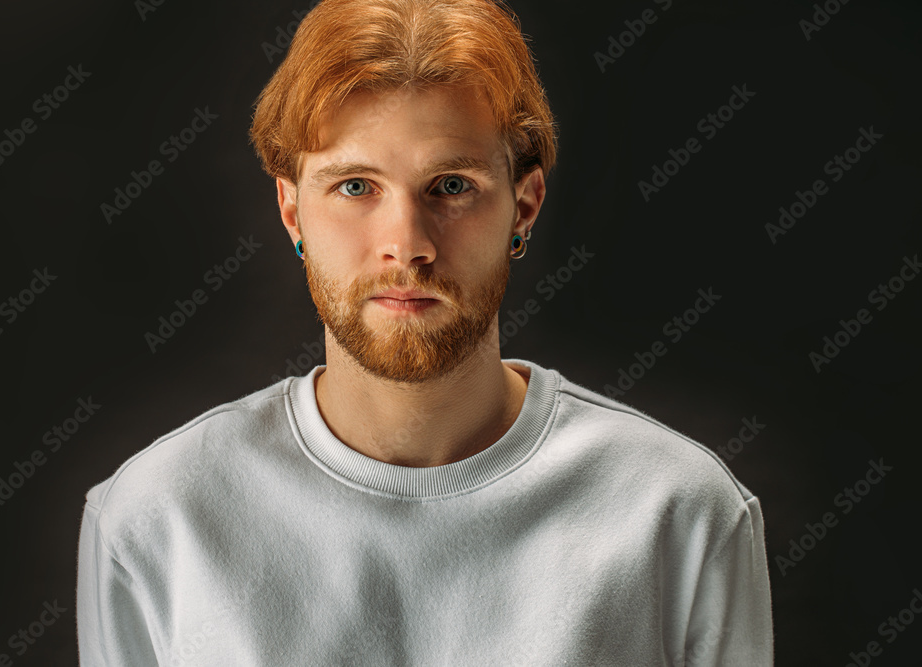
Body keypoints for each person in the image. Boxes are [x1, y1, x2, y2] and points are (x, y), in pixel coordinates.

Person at [76, 0, 774, 664]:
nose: (406, 245)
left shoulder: (680, 512)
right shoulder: (154, 518)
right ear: (292, 213)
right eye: (355, 186)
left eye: (451, 186)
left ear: (524, 208)